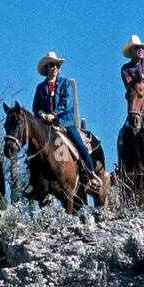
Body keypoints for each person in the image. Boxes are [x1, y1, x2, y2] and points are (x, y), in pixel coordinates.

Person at [33, 52, 101, 189]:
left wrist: (54, 114)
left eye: (56, 65)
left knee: (80, 146)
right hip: (46, 126)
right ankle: (34, 183)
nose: (54, 68)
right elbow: (36, 107)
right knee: (34, 150)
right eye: (51, 65)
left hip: (65, 122)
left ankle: (91, 174)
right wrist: (42, 115)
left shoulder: (65, 84)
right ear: (46, 68)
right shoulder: (40, 88)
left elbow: (67, 103)